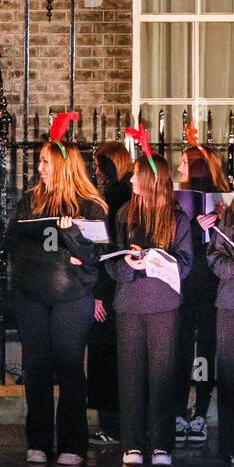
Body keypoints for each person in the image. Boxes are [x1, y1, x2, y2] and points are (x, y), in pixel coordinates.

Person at [4, 114, 106, 467]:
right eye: (39, 161)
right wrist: (54, 255)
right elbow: (11, 241)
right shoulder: (30, 200)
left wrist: (72, 238)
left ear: (62, 165)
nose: (39, 167)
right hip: (32, 294)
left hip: (70, 298)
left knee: (69, 368)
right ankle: (39, 441)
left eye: (45, 161)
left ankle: (73, 444)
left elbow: (96, 257)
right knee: (36, 368)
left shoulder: (90, 207)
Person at [105, 131, 192, 467]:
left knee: (162, 376)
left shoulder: (176, 218)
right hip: (129, 303)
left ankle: (161, 444)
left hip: (163, 305)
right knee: (130, 376)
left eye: (136, 177)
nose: (131, 181)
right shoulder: (124, 214)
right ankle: (132, 444)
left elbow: (185, 264)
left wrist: (158, 261)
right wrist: (126, 264)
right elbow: (110, 258)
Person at [174, 139, 227, 446]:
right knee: (181, 348)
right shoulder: (180, 198)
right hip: (184, 281)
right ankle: (180, 411)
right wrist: (193, 226)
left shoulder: (225, 200)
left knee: (205, 350)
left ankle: (200, 414)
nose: (180, 167)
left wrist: (217, 222)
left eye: (184, 162)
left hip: (210, 284)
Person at [206, 151, 234, 466]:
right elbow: (214, 255)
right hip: (232, 302)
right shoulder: (231, 212)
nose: (233, 179)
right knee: (233, 375)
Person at [89, 141, 134, 445]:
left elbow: (104, 246)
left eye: (97, 163)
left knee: (105, 356)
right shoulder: (129, 195)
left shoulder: (113, 197)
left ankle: (111, 425)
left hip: (108, 282)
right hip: (128, 283)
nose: (95, 169)